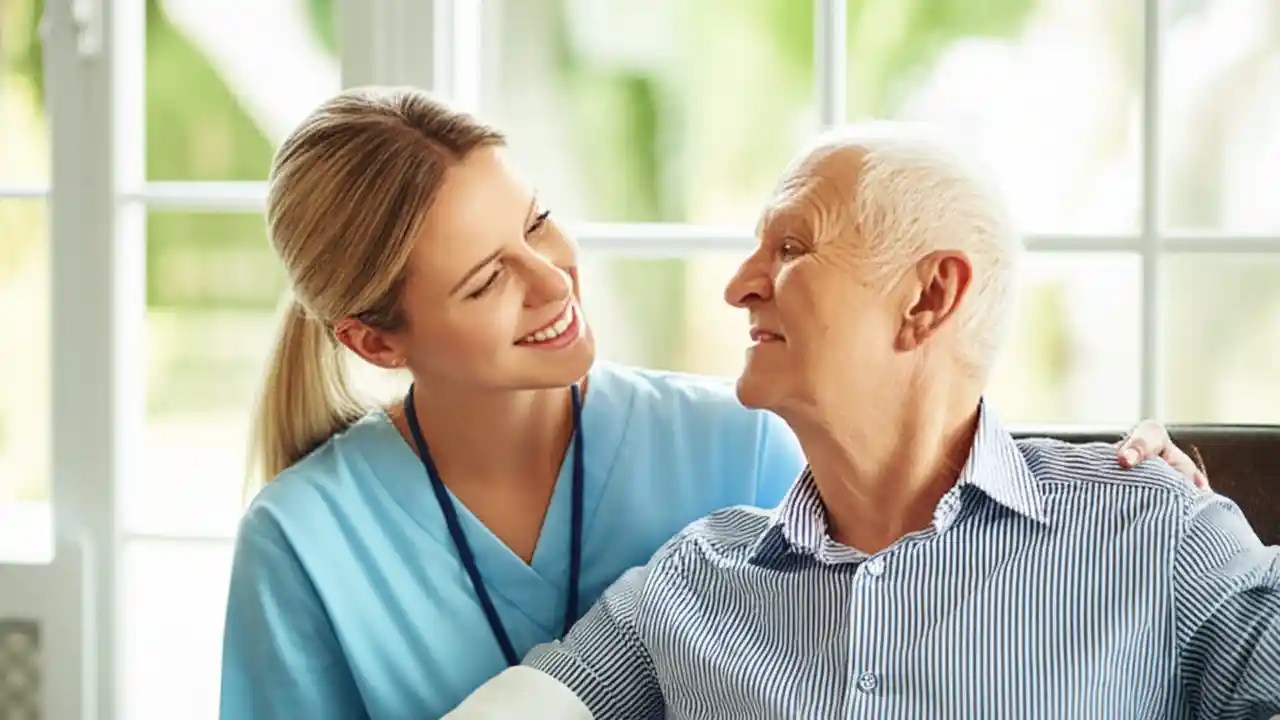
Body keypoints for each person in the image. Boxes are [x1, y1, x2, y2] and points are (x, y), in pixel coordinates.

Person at [218, 88, 1206, 720]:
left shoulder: (738, 445)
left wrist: (1116, 489)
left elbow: (919, 474)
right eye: (484, 282)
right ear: (373, 341)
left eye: (539, 224)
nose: (554, 281)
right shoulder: (307, 540)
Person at [450, 125, 1280, 719]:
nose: (740, 284)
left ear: (927, 299)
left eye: (791, 248)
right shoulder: (692, 581)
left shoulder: (1155, 531)